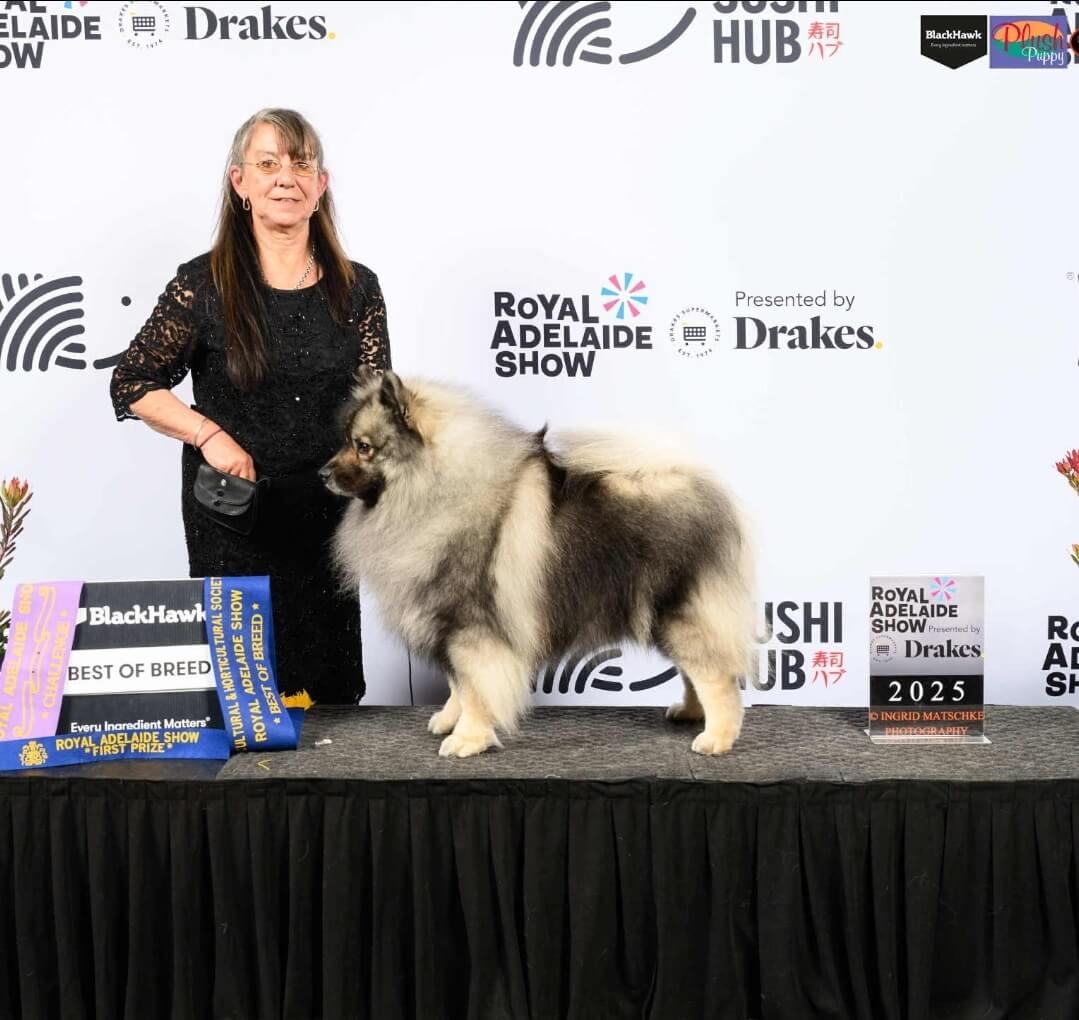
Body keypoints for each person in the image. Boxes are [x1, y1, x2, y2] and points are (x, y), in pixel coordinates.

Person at [109, 108, 392, 705]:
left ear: (321, 184)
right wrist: (207, 433)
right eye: (267, 164)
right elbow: (134, 381)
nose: (284, 178)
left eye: (300, 163)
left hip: (327, 520)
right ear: (240, 182)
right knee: (242, 701)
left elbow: (377, 406)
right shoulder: (204, 282)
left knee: (333, 703)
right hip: (233, 516)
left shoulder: (358, 287)